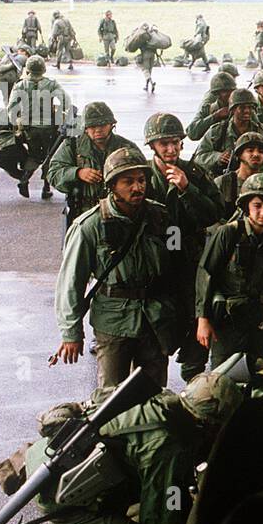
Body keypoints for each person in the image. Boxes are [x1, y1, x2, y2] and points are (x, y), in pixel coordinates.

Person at [33, 370, 243, 524]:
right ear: (207, 422)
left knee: (122, 501)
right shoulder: (170, 445)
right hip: (62, 499)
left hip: (54, 466)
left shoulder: (159, 398)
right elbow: (162, 514)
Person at [52, 146, 179, 387]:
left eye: (141, 180)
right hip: (114, 323)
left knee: (154, 400)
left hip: (155, 320)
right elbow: (71, 283)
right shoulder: (89, 226)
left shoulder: (162, 218)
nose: (137, 187)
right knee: (110, 399)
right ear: (112, 185)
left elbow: (177, 263)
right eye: (128, 181)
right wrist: (71, 333)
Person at [143, 112, 225, 382]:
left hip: (190, 263)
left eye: (175, 142)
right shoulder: (142, 176)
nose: (170, 149)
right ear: (153, 146)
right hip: (155, 264)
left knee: (195, 331)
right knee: (155, 338)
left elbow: (215, 213)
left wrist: (188, 189)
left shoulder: (195, 173)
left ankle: (194, 390)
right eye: (163, 143)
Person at [196, 173, 263, 375]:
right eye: (257, 205)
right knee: (222, 379)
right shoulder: (228, 233)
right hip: (229, 324)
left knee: (262, 379)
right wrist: (203, 319)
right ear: (247, 207)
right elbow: (206, 275)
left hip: (261, 323)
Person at [47, 100, 139, 231]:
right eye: (93, 126)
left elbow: (142, 179)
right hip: (83, 216)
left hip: (121, 214)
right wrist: (77, 173)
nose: (98, 130)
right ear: (85, 128)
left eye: (103, 125)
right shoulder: (72, 146)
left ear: (112, 125)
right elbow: (53, 174)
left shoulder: (126, 148)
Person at [7, 54, 71, 199]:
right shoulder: (51, 84)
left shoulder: (20, 85)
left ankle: (24, 179)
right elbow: (66, 100)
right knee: (50, 155)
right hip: (49, 127)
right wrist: (60, 114)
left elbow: (11, 109)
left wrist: (17, 124)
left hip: (29, 128)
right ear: (43, 69)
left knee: (34, 155)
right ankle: (46, 188)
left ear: (28, 70)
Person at [195, 88, 263, 177]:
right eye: (242, 108)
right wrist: (217, 157)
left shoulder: (260, 131)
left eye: (250, 107)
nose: (247, 111)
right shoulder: (217, 131)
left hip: (254, 179)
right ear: (233, 109)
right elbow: (199, 157)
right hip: (223, 181)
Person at [214, 130, 263, 213]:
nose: (256, 154)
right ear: (239, 154)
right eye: (250, 150)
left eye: (261, 151)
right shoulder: (223, 183)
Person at [187, 71, 236, 141]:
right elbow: (192, 133)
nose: (231, 94)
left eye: (232, 90)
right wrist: (215, 116)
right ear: (217, 94)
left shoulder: (242, 107)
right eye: (226, 91)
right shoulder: (208, 109)